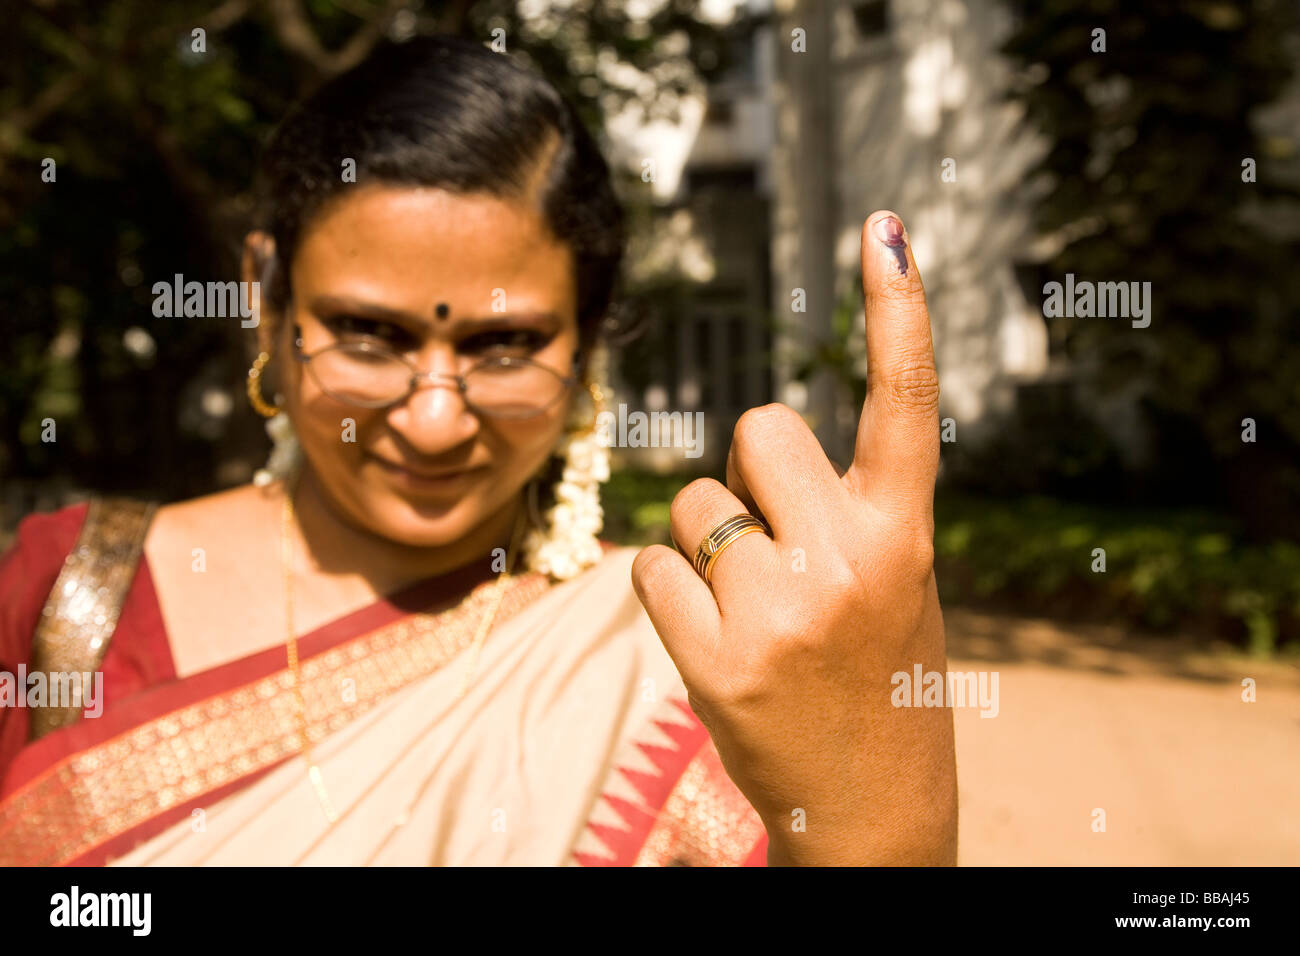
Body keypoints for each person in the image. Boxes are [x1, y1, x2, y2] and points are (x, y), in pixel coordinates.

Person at [0, 35, 956, 866]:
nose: (434, 420)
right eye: (369, 334)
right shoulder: (74, 596)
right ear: (267, 300)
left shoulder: (681, 657)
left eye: (504, 347)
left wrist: (881, 822)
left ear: (586, 344)